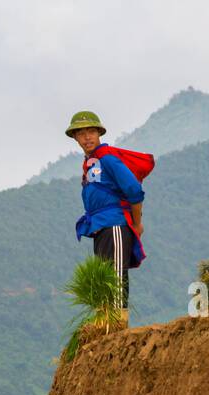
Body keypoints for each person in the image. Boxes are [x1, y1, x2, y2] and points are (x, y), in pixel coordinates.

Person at [66, 110, 147, 326]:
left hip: (115, 224)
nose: (87, 137)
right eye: (81, 133)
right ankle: (106, 321)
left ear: (99, 133)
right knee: (104, 276)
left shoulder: (108, 158)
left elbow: (134, 190)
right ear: (75, 137)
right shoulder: (91, 163)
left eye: (91, 131)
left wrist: (137, 224)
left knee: (117, 275)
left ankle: (118, 323)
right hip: (99, 227)